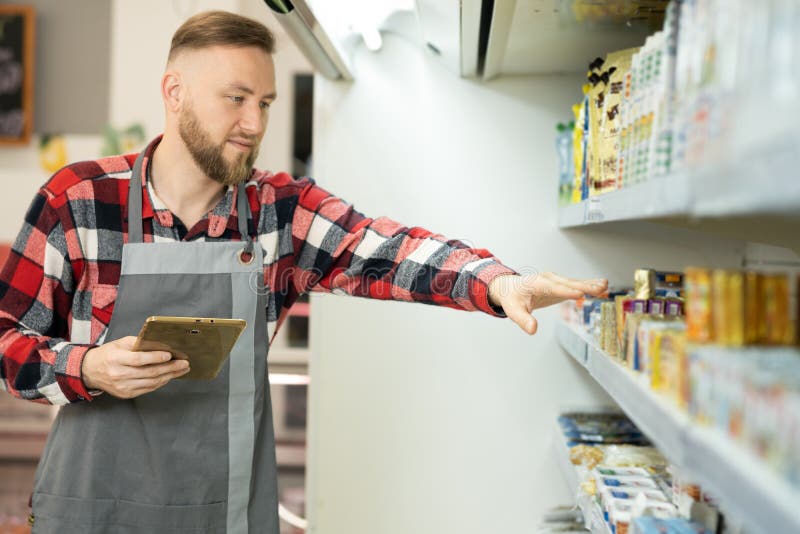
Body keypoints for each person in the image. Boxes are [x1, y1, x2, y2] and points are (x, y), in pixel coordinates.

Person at [0, 10, 607, 534]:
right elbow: (9, 343)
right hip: (92, 511)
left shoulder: (278, 213)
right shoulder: (77, 199)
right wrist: (89, 366)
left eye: (264, 103)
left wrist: (497, 282)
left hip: (224, 512)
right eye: (235, 99)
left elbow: (385, 249)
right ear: (174, 91)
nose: (255, 124)